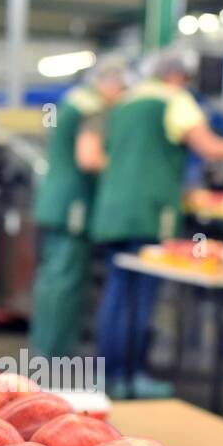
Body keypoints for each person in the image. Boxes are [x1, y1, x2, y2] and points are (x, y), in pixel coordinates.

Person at [89, 45, 223, 398]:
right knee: (141, 294)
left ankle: (107, 375)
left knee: (117, 292)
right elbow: (208, 146)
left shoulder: (125, 103)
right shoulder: (175, 100)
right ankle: (130, 376)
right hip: (149, 210)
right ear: (176, 75)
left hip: (113, 208)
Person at [28, 55, 129, 359]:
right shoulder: (93, 109)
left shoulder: (72, 102)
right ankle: (54, 354)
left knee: (53, 276)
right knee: (65, 279)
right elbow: (90, 158)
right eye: (121, 88)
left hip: (56, 202)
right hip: (74, 205)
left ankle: (43, 349)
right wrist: (126, 168)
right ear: (109, 83)